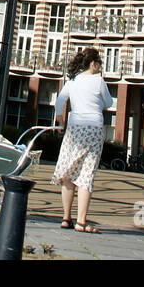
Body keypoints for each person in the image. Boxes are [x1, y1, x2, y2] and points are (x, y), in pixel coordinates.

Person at [51, 47, 112, 234]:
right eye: (100, 63)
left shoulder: (73, 81)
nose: (101, 66)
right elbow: (109, 103)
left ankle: (65, 217)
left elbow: (60, 102)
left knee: (68, 174)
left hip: (74, 128)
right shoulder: (99, 81)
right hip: (93, 128)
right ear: (94, 64)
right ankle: (81, 221)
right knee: (86, 175)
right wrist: (98, 103)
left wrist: (61, 122)